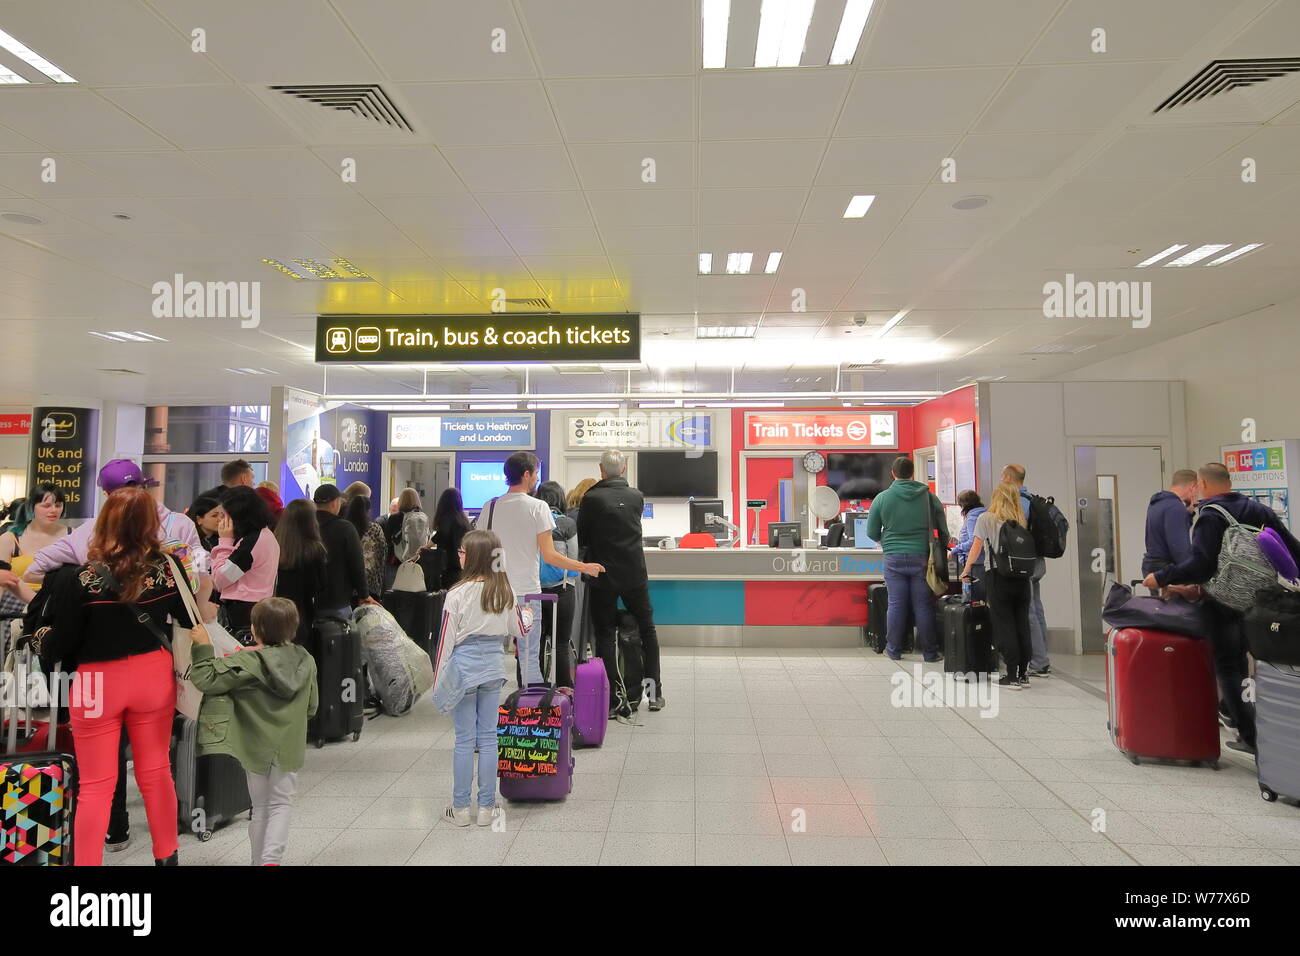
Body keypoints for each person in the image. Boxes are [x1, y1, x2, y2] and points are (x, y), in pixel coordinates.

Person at [37, 487, 196, 866]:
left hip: (96, 683)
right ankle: (166, 857)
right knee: (156, 772)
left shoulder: (80, 578)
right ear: (151, 523)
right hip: (153, 676)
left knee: (95, 786)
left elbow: (62, 644)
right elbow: (189, 620)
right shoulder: (168, 567)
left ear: (105, 521)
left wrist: (41, 637)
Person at [1144, 462, 1300, 755]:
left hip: (1222, 601)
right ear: (1229, 482)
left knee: (1229, 665)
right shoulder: (1259, 510)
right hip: (1258, 601)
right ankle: (1255, 725)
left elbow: (1201, 565)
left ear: (1202, 484)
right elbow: (1291, 548)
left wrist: (1163, 577)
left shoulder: (1210, 516)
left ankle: (1249, 735)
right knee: (1252, 664)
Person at [188, 596, 316, 866]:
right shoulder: (306, 660)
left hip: (255, 745)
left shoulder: (247, 662)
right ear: (293, 627)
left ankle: (259, 861)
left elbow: (206, 678)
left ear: (256, 629)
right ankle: (271, 860)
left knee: (260, 807)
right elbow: (312, 706)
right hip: (289, 745)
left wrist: (202, 647)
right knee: (281, 803)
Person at [474, 452, 602, 687]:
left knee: (489, 654)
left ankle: (487, 700)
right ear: (526, 474)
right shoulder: (538, 507)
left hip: (495, 592)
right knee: (529, 656)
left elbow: (479, 551)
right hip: (527, 595)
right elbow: (550, 555)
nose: (536, 478)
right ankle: (529, 702)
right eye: (535, 473)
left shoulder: (490, 507)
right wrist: (583, 566)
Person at [431, 529, 524, 828]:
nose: (459, 555)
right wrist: (528, 617)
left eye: (462, 551)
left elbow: (445, 642)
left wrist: (437, 682)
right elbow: (519, 630)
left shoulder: (456, 594)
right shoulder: (505, 590)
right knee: (488, 738)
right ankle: (486, 808)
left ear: (472, 557)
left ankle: (460, 809)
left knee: (464, 740)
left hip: (464, 670)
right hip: (494, 668)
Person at [25, 459, 207, 587]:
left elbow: (32, 572)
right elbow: (200, 568)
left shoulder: (89, 532)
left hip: (103, 622)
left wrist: (86, 580)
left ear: (106, 494)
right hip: (166, 623)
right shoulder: (180, 524)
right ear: (144, 486)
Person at [577, 450, 663, 712]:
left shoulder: (591, 498)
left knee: (605, 634)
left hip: (602, 575)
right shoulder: (637, 496)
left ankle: (614, 699)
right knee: (647, 630)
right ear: (624, 469)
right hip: (634, 574)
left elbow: (583, 537)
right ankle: (654, 694)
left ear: (601, 469)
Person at [865, 456, 951, 662]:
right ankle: (930, 653)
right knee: (923, 605)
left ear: (893, 473)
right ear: (913, 473)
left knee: (895, 604)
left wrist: (887, 540)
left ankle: (894, 650)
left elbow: (871, 532)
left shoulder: (882, 498)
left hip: (893, 557)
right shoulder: (929, 497)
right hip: (922, 557)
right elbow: (944, 531)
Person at [960, 482, 1034, 689]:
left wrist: (966, 570)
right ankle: (1023, 673)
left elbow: (976, 548)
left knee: (1004, 624)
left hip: (998, 576)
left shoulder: (987, 518)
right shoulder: (1021, 520)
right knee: (1022, 624)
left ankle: (1011, 675)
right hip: (1022, 578)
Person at [1002, 463, 1052, 678]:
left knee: (1028, 612)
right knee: (1037, 609)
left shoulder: (1017, 502)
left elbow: (1015, 534)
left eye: (1003, 476)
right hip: (1037, 561)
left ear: (1008, 478)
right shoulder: (1032, 499)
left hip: (1024, 563)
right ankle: (1042, 658)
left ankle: (1039, 662)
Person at [211, 487, 279, 645]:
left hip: (243, 615)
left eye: (224, 515)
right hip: (253, 610)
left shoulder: (252, 542)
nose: (220, 520)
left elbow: (219, 580)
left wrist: (224, 542)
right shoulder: (264, 535)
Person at [537, 480, 578, 688]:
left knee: (533, 642)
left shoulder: (531, 522)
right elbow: (573, 560)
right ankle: (565, 690)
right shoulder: (566, 524)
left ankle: (530, 690)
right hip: (561, 590)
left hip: (533, 590)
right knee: (561, 643)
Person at [314, 484, 373, 619]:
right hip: (337, 598)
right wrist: (363, 594)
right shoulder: (345, 528)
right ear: (335, 502)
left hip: (307, 600)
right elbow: (356, 564)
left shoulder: (305, 525)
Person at [274, 499, 329, 644]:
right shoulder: (315, 549)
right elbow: (320, 585)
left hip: (275, 609)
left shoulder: (275, 545)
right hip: (302, 611)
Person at [1141, 469, 1198, 589]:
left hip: (1152, 568)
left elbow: (1169, 531)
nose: (1197, 496)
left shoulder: (1158, 503)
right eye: (1197, 491)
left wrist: (1188, 514)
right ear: (1193, 487)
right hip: (1167, 571)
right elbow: (1179, 548)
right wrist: (1192, 573)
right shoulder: (1175, 508)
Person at [0, 483, 70, 573]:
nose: (54, 510)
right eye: (46, 506)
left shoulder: (73, 535)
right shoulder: (9, 539)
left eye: (58, 505)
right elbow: (2, 578)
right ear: (32, 506)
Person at [344, 493, 387, 599]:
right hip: (370, 583)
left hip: (348, 581)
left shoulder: (345, 527)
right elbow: (382, 553)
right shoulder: (374, 529)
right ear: (368, 510)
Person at [431, 487, 471, 590]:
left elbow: (441, 535)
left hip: (448, 566)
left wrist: (427, 545)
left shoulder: (445, 519)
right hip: (462, 565)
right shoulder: (463, 521)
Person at [952, 489, 986, 596]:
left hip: (974, 564)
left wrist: (955, 549)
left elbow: (973, 542)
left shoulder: (972, 518)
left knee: (971, 598)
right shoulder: (984, 513)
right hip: (982, 562)